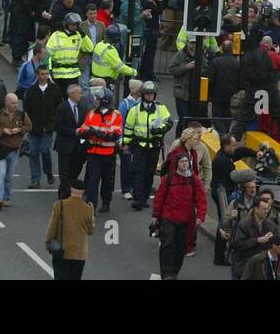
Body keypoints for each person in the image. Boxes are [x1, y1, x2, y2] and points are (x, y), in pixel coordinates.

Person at [151, 151, 206, 279]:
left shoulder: (194, 180)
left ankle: (174, 272)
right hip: (168, 217)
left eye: (186, 161)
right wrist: (155, 215)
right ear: (177, 164)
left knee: (181, 247)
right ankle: (166, 273)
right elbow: (159, 197)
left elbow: (201, 199)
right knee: (167, 245)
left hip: (186, 219)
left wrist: (200, 216)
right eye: (182, 161)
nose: (184, 164)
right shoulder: (169, 179)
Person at [123, 80, 171, 211]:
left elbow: (169, 122)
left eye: (152, 94)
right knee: (138, 172)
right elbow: (128, 128)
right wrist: (126, 143)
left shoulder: (161, 108)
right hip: (140, 145)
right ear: (143, 95)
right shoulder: (135, 110)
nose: (150, 96)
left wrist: (160, 129)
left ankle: (144, 198)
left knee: (149, 173)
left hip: (154, 146)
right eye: (147, 94)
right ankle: (137, 199)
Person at [0, 93, 31, 211]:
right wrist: (2, 131)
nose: (15, 105)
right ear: (6, 103)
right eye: (13, 103)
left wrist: (20, 129)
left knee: (9, 176)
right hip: (0, 149)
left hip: (14, 150)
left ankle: (7, 197)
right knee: (1, 174)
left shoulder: (22, 115)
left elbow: (29, 126)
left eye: (16, 103)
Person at [81, 86, 123, 210]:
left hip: (108, 154)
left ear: (104, 101)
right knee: (93, 180)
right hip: (93, 152)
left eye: (98, 99)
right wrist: (87, 132)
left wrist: (95, 132)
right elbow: (83, 129)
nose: (96, 100)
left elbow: (113, 135)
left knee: (107, 180)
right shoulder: (91, 113)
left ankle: (106, 202)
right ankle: (91, 205)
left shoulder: (116, 115)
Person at [45, 179, 95, 280]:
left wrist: (48, 243)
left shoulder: (60, 205)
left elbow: (52, 227)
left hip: (62, 251)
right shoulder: (88, 208)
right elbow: (91, 231)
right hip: (79, 253)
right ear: (83, 192)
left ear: (71, 189)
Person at [22, 65, 61, 189]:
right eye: (42, 74)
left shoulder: (54, 89)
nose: (45, 76)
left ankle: (48, 172)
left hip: (47, 128)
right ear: (37, 75)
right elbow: (26, 109)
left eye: (46, 74)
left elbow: (59, 108)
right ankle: (35, 180)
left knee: (45, 150)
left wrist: (53, 124)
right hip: (34, 127)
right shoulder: (31, 90)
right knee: (33, 152)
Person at [53, 82, 91, 201]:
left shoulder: (80, 107)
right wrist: (74, 131)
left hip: (78, 146)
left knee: (75, 169)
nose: (80, 95)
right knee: (64, 171)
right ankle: (65, 195)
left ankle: (65, 189)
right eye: (78, 92)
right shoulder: (62, 107)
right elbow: (58, 126)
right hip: (65, 145)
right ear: (71, 94)